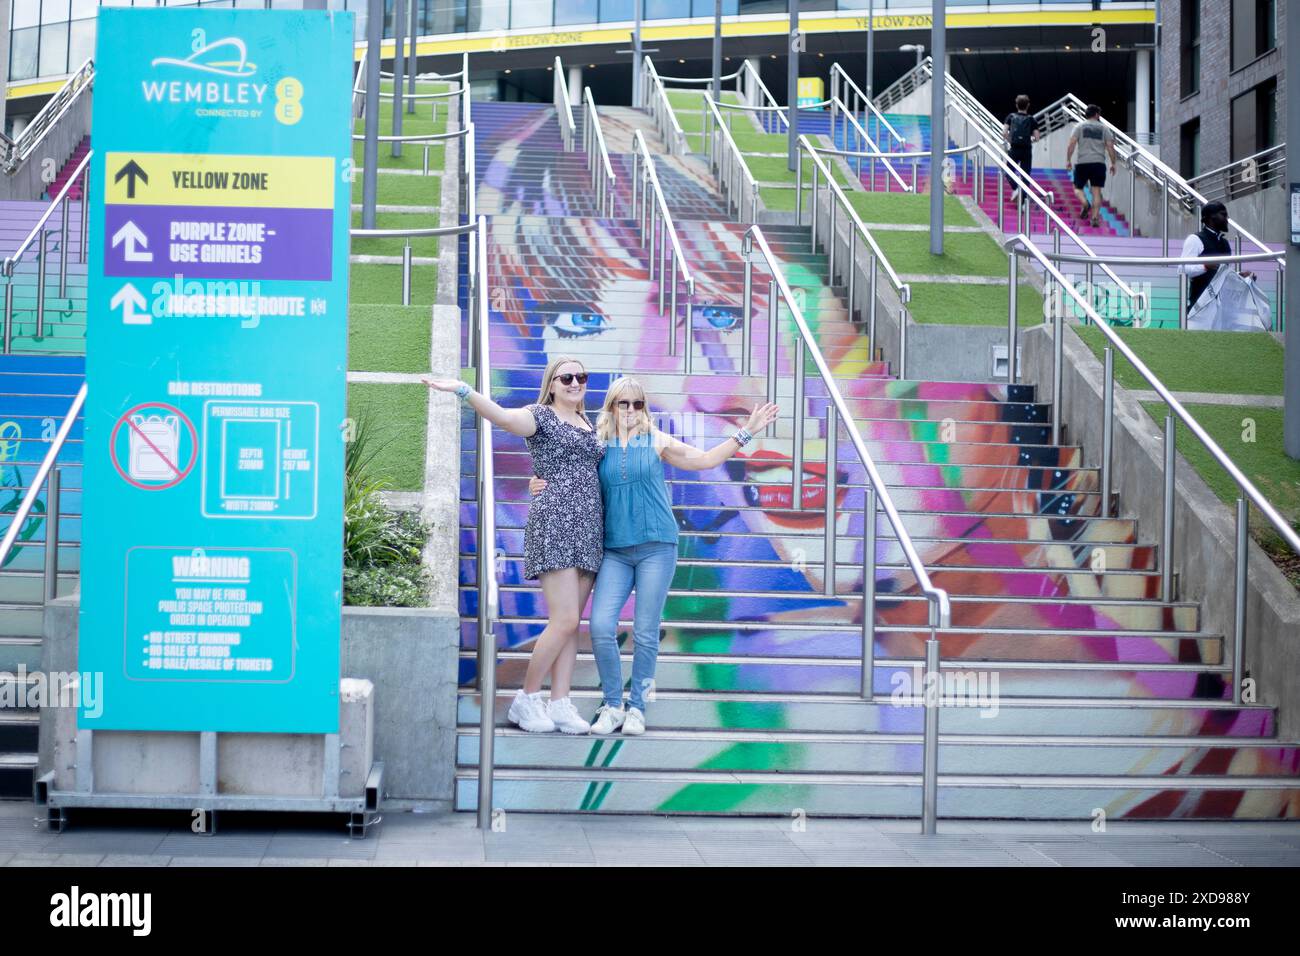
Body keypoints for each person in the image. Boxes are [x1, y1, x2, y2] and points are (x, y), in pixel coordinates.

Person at [530, 378, 779, 735]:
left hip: (657, 547)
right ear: (612, 406)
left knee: (646, 631)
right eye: (622, 403)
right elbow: (567, 472)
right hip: (615, 549)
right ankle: (613, 705)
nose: (629, 410)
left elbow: (705, 460)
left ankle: (637, 708)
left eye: (636, 403)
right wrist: (536, 482)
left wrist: (746, 433)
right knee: (601, 626)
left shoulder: (656, 440)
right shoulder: (597, 444)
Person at [424, 355, 602, 735]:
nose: (574, 382)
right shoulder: (540, 415)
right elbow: (503, 418)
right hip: (555, 520)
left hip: (589, 526)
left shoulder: (590, 424)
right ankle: (527, 697)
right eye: (566, 377)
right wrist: (464, 391)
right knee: (565, 618)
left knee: (572, 624)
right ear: (552, 384)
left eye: (580, 376)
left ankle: (560, 702)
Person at [1180, 201, 1254, 316]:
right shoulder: (1194, 239)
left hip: (1222, 310)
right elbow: (1182, 269)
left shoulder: (1224, 243)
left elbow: (1222, 275)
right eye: (1223, 214)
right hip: (1199, 308)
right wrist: (1204, 266)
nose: (1227, 219)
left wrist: (1240, 276)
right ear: (1211, 217)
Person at [1065, 104, 1118, 228]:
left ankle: (1085, 203)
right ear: (1096, 115)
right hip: (1098, 163)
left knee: (1078, 188)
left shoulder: (1079, 126)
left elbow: (1071, 144)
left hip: (1083, 163)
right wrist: (1113, 163)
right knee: (1096, 192)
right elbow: (1110, 146)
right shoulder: (1104, 128)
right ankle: (1094, 218)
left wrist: (1068, 160)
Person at [1002, 94, 1039, 202]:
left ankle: (1015, 188)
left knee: (1008, 171)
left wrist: (1011, 140)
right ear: (1028, 105)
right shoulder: (1031, 119)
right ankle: (1023, 202)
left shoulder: (1011, 116)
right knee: (1026, 175)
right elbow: (1037, 137)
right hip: (1027, 150)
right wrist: (1029, 140)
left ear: (1016, 104)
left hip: (1014, 148)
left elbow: (1004, 133)